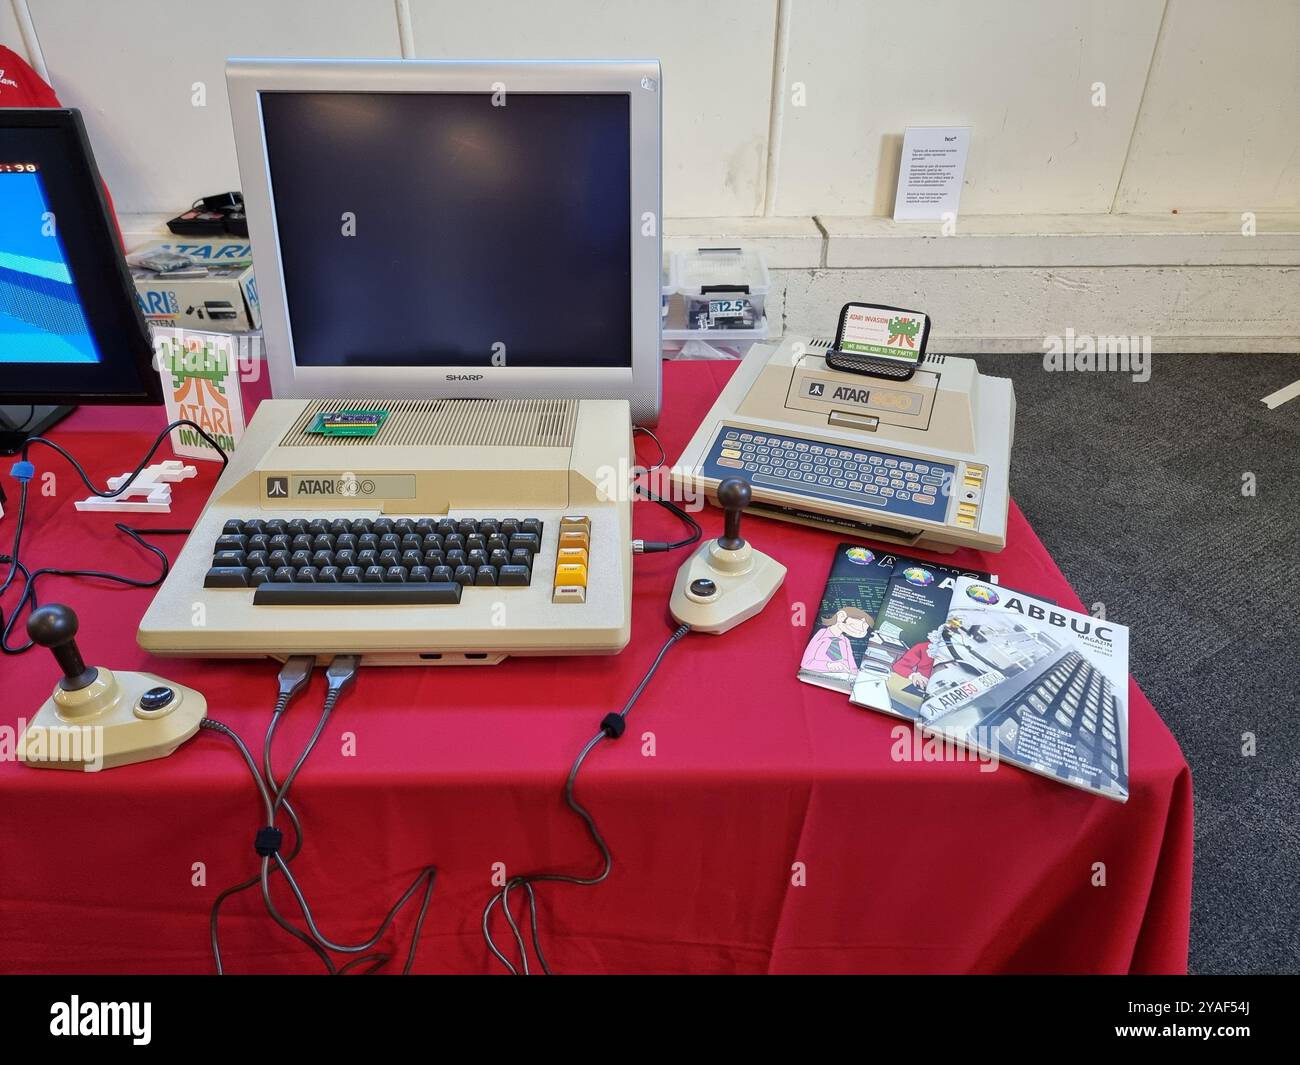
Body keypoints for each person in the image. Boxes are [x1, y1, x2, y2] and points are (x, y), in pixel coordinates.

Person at [801, 606, 872, 674]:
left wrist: (856, 673)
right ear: (841, 616)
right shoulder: (821, 634)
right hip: (818, 675)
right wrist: (829, 665)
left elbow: (852, 666)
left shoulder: (846, 641)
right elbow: (805, 662)